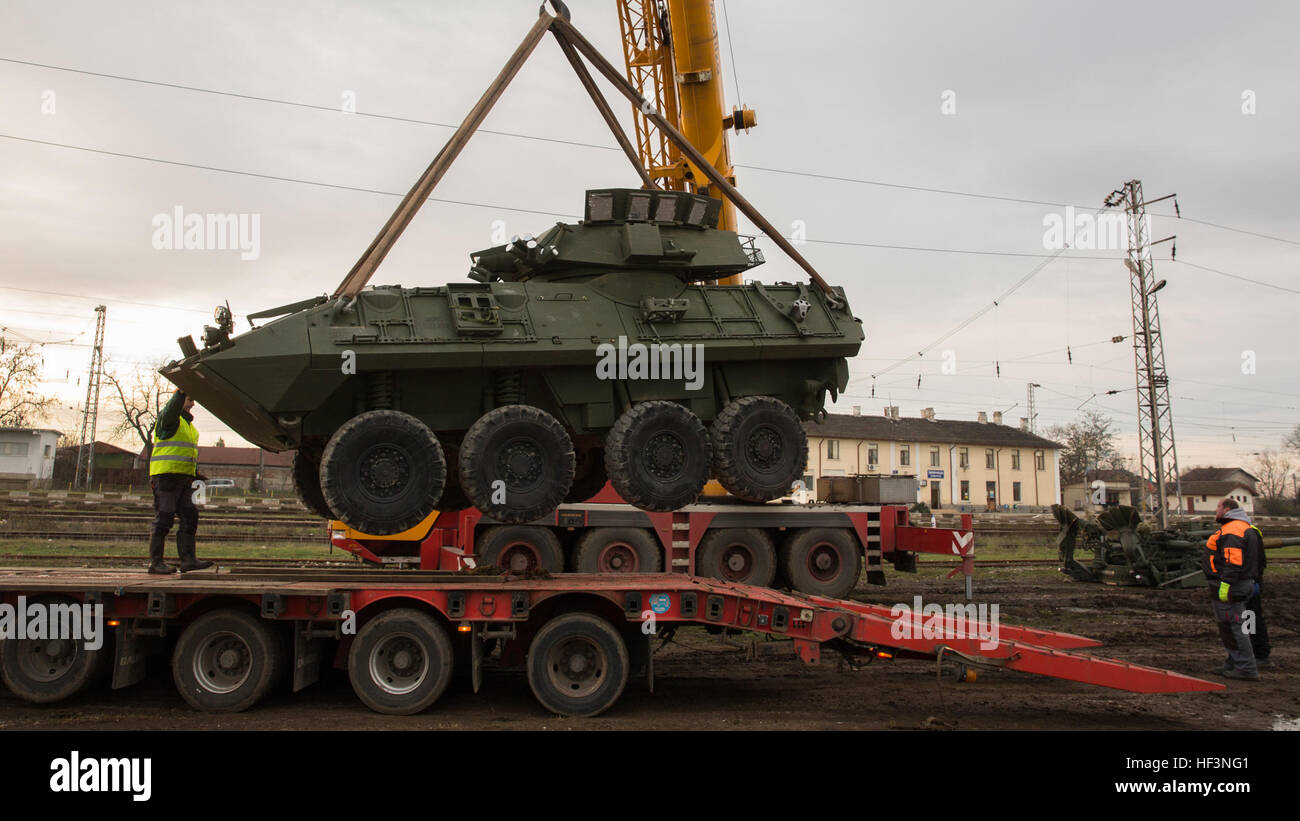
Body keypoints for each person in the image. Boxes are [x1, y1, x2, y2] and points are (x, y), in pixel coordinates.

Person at [147, 390, 214, 574]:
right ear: (179, 401)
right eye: (189, 400)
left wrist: (195, 474)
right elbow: (170, 411)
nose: (193, 404)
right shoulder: (168, 421)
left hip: (185, 479)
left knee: (190, 517)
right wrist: (180, 391)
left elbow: (184, 453)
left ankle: (188, 560)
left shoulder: (189, 426)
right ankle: (156, 563)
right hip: (166, 478)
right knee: (164, 518)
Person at [1202, 498, 1262, 680]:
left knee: (1235, 627)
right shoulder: (1244, 528)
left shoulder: (1232, 531)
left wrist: (1226, 584)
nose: (1216, 510)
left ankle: (1246, 668)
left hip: (1231, 586)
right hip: (1243, 583)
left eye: (1218, 507)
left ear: (1227, 509)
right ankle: (1235, 662)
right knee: (1232, 627)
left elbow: (1233, 561)